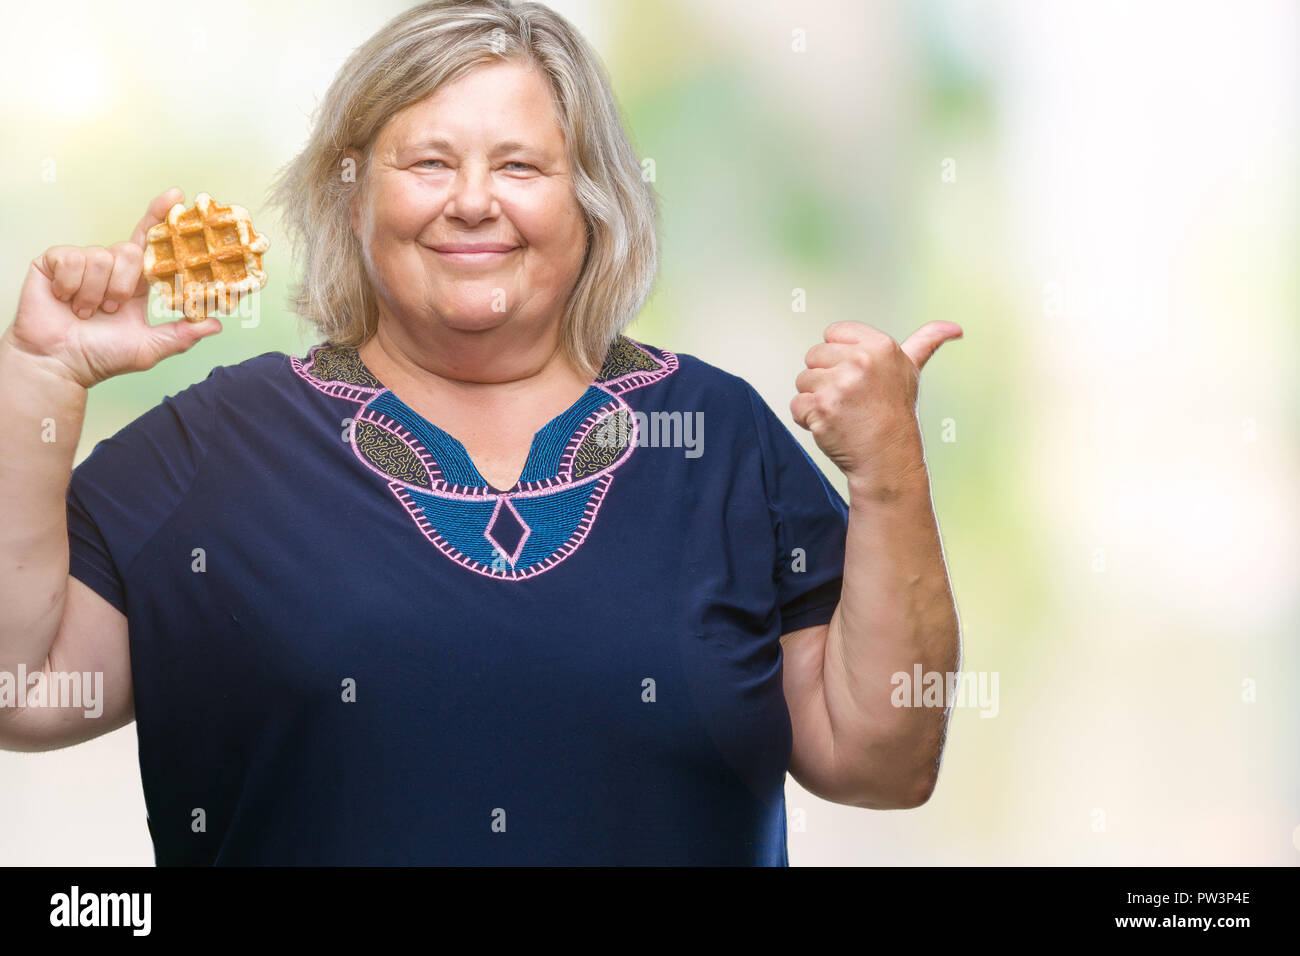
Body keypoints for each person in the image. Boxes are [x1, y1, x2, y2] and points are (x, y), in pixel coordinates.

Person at [0, 0, 960, 865]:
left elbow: (881, 759)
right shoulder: (216, 444)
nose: (471, 200)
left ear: (591, 200)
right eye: (427, 162)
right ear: (350, 195)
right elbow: (21, 687)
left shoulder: (712, 433)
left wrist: (888, 473)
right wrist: (38, 377)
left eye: (519, 165)